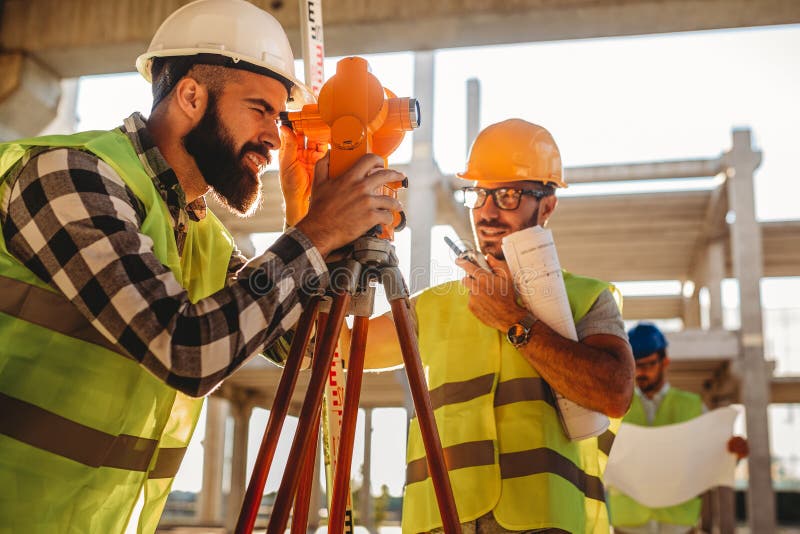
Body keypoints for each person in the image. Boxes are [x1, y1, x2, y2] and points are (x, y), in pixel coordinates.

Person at [0, 0, 405, 532]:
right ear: (191, 95)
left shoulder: (199, 237)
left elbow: (294, 343)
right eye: (260, 109)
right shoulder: (67, 176)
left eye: (282, 118)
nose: (275, 136)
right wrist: (317, 234)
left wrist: (310, 228)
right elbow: (187, 349)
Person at [334, 119, 636, 533]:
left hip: (543, 523)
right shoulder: (435, 306)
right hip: (440, 520)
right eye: (479, 194)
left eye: (509, 196)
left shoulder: (586, 298)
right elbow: (341, 351)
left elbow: (614, 394)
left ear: (547, 206)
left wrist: (514, 320)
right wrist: (312, 220)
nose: (488, 212)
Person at [608, 322, 749, 534]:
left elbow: (711, 458)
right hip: (628, 523)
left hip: (679, 523)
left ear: (665, 362)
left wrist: (734, 454)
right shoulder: (613, 407)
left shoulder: (692, 405)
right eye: (636, 366)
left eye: (648, 365)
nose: (641, 373)